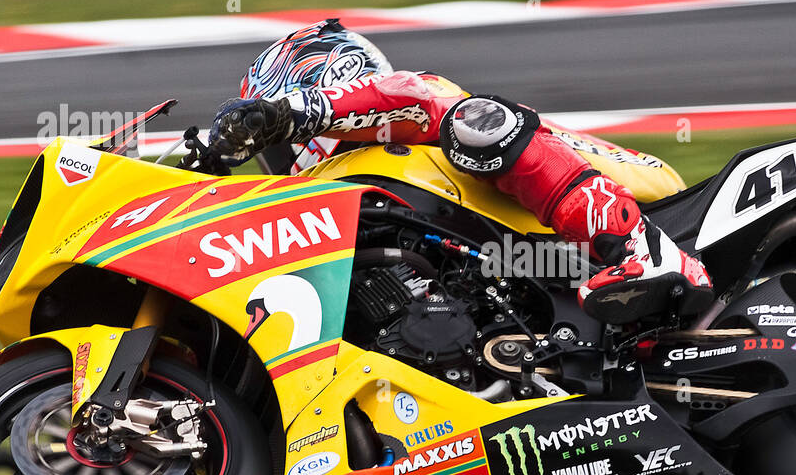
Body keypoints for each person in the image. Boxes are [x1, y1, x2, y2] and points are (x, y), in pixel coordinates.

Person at [208, 19, 711, 324]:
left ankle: (645, 252)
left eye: (273, 134)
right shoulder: (337, 187)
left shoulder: (409, 106)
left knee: (474, 125)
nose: (277, 159)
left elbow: (413, 98)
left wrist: (295, 113)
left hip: (653, 202)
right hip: (533, 271)